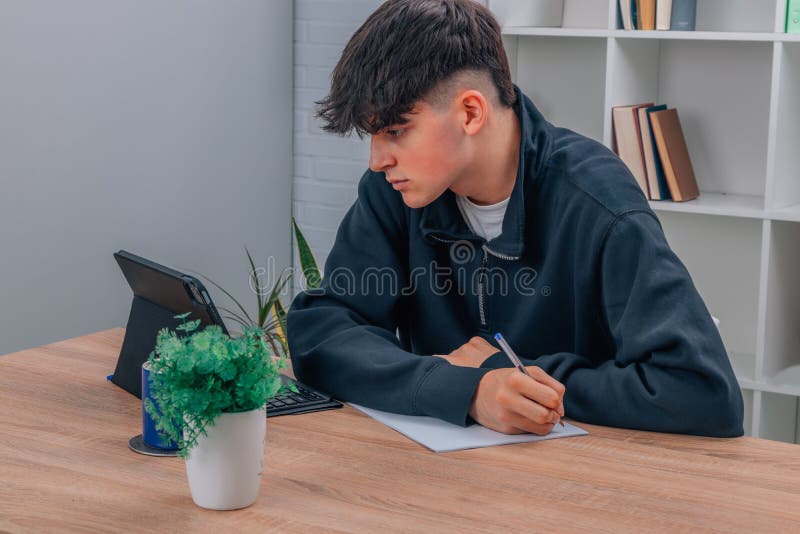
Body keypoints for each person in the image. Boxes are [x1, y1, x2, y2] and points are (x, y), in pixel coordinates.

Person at [286, 0, 744, 437]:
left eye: (396, 130)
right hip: (438, 469)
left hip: (583, 474)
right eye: (373, 135)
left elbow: (701, 392)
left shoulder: (597, 201)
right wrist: (467, 390)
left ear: (470, 112)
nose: (377, 160)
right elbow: (323, 333)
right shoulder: (395, 191)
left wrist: (510, 376)